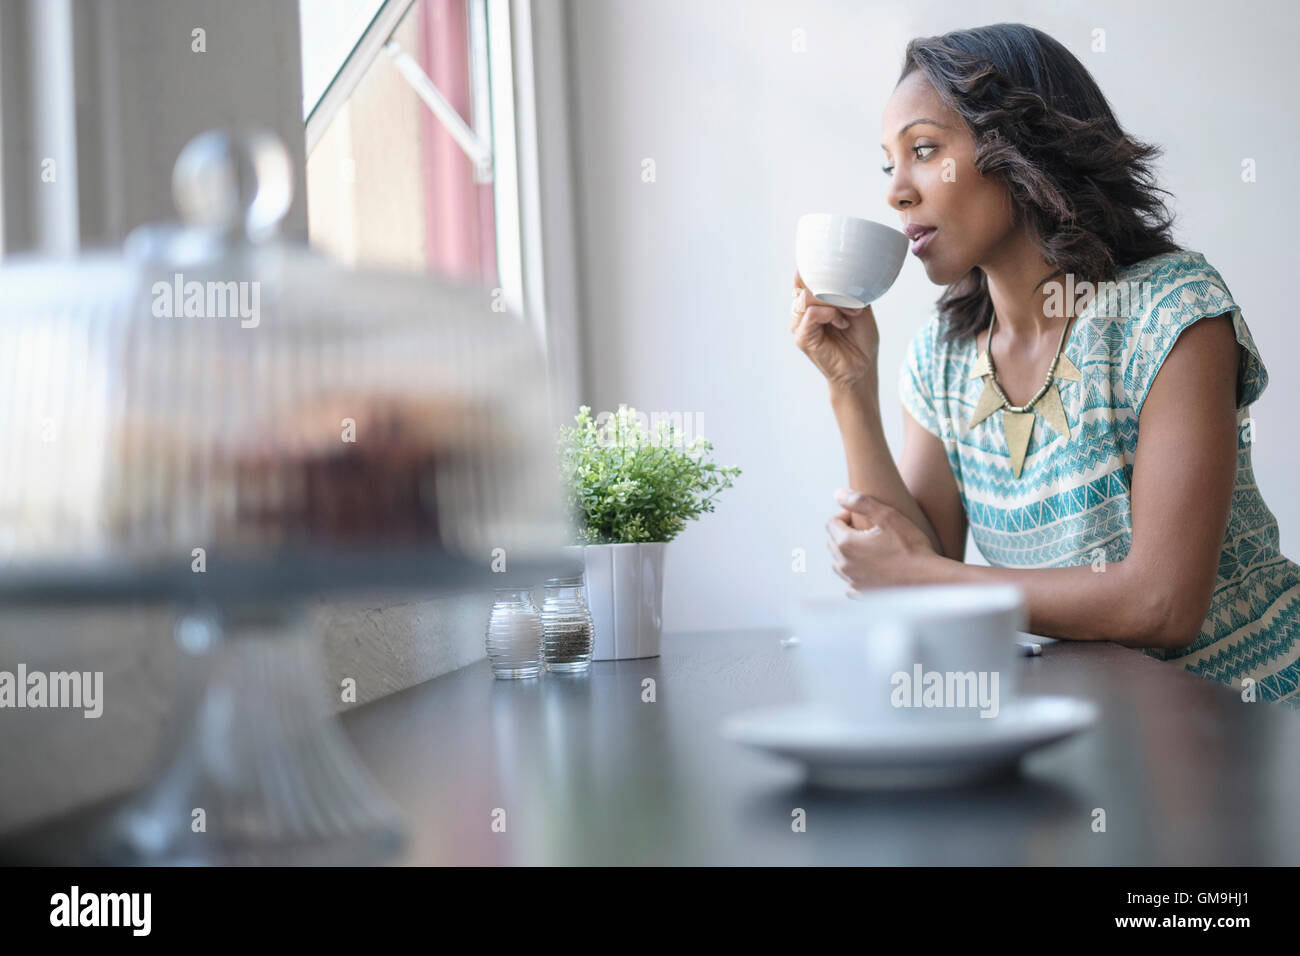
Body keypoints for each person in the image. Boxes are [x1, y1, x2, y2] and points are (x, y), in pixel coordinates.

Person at [790, 23, 1299, 704]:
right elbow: (921, 567)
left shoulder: (1169, 312)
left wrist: (917, 577)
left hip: (1254, 725)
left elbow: (1164, 605)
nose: (897, 191)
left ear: (1016, 146)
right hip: (1097, 737)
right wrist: (850, 388)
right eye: (890, 163)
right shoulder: (940, 359)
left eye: (923, 150)